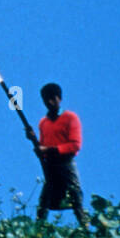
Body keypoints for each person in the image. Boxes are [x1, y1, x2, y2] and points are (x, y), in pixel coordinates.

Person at [34, 82, 90, 229]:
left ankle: (85, 228)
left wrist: (48, 150)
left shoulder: (70, 118)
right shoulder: (43, 123)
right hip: (51, 165)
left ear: (59, 99)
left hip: (66, 163)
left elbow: (74, 145)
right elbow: (42, 146)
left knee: (75, 197)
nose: (50, 102)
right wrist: (34, 141)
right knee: (44, 201)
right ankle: (37, 230)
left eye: (53, 98)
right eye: (47, 99)